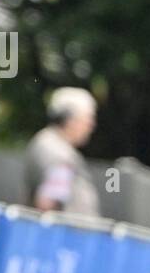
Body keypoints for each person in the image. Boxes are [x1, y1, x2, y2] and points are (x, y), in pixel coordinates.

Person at [24, 87, 101, 216]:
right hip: (65, 234)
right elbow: (47, 202)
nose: (91, 126)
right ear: (70, 120)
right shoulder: (58, 152)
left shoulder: (49, 143)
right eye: (88, 119)